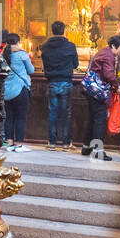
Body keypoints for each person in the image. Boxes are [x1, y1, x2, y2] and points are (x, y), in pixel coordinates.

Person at [82, 35, 120, 161]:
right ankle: (98, 151)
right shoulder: (109, 55)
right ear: (113, 46)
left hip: (91, 90)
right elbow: (108, 74)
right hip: (97, 92)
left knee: (93, 119)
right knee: (100, 120)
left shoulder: (103, 52)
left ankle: (86, 147)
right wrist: (116, 86)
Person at [39, 20, 79, 150]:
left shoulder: (45, 47)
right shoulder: (70, 46)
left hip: (52, 82)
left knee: (53, 113)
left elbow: (44, 64)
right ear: (64, 30)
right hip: (66, 82)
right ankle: (66, 143)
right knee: (66, 113)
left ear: (52, 31)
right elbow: (75, 65)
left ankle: (52, 143)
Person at [0, 32, 34, 152]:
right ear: (18, 42)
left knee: (9, 117)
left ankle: (9, 143)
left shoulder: (2, 55)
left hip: (7, 90)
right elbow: (31, 70)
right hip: (20, 89)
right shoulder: (22, 55)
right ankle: (18, 144)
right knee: (20, 117)